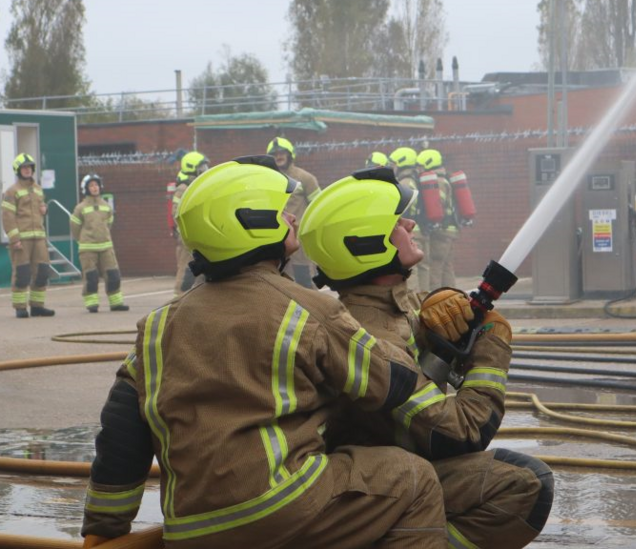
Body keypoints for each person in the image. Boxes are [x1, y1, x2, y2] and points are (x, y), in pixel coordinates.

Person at [80, 155, 493, 548]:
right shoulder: (307, 309)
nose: (292, 217)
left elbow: (121, 434)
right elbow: (393, 380)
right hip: (282, 506)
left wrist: (104, 528)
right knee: (412, 477)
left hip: (190, 527)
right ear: (249, 223)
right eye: (280, 212)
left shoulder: (156, 327)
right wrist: (429, 339)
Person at [299, 167, 554, 549]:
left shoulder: (369, 312)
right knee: (525, 485)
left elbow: (398, 311)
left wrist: (438, 301)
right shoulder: (371, 340)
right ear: (368, 243)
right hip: (381, 486)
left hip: (391, 471)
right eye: (397, 222)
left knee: (517, 477)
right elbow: (462, 435)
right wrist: (490, 350)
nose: (411, 223)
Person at [1, 153, 54, 318]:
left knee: (42, 272)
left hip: (39, 238)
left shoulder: (38, 189)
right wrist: (14, 239)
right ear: (18, 170)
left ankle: (37, 306)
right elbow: (7, 217)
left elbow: (41, 208)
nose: (27, 170)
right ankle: (20, 307)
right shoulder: (11, 192)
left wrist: (45, 209)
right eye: (24, 167)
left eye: (29, 167)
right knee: (22, 273)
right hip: (22, 240)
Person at [70, 174, 129, 313]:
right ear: (86, 189)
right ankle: (92, 304)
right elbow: (75, 227)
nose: (94, 188)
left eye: (96, 185)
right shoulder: (80, 208)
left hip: (106, 247)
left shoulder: (106, 206)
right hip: (88, 248)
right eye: (91, 185)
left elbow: (109, 224)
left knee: (113, 275)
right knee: (91, 277)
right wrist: (83, 240)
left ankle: (116, 303)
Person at [267, 136, 320, 288]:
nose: (278, 156)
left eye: (282, 153)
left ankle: (311, 303)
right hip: (276, 239)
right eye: (274, 154)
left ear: (290, 155)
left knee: (304, 281)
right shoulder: (269, 179)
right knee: (280, 282)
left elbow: (318, 207)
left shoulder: (305, 178)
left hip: (298, 241)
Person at [389, 146, 430, 292]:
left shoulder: (405, 182)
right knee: (424, 267)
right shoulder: (417, 179)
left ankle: (413, 299)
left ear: (401, 162)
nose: (393, 167)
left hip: (412, 230)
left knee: (412, 267)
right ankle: (424, 297)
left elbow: (403, 209)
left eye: (394, 163)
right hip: (423, 229)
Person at [418, 148, 459, 288]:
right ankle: (451, 297)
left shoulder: (438, 182)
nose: (419, 169)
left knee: (435, 268)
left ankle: (436, 298)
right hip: (449, 231)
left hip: (441, 232)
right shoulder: (445, 178)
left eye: (421, 165)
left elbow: (438, 204)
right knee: (446, 267)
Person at [171, 151, 209, 297]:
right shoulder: (183, 188)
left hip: (198, 235)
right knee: (186, 273)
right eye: (201, 167)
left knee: (199, 272)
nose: (204, 170)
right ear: (191, 168)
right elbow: (176, 213)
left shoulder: (197, 186)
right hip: (187, 237)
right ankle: (178, 300)